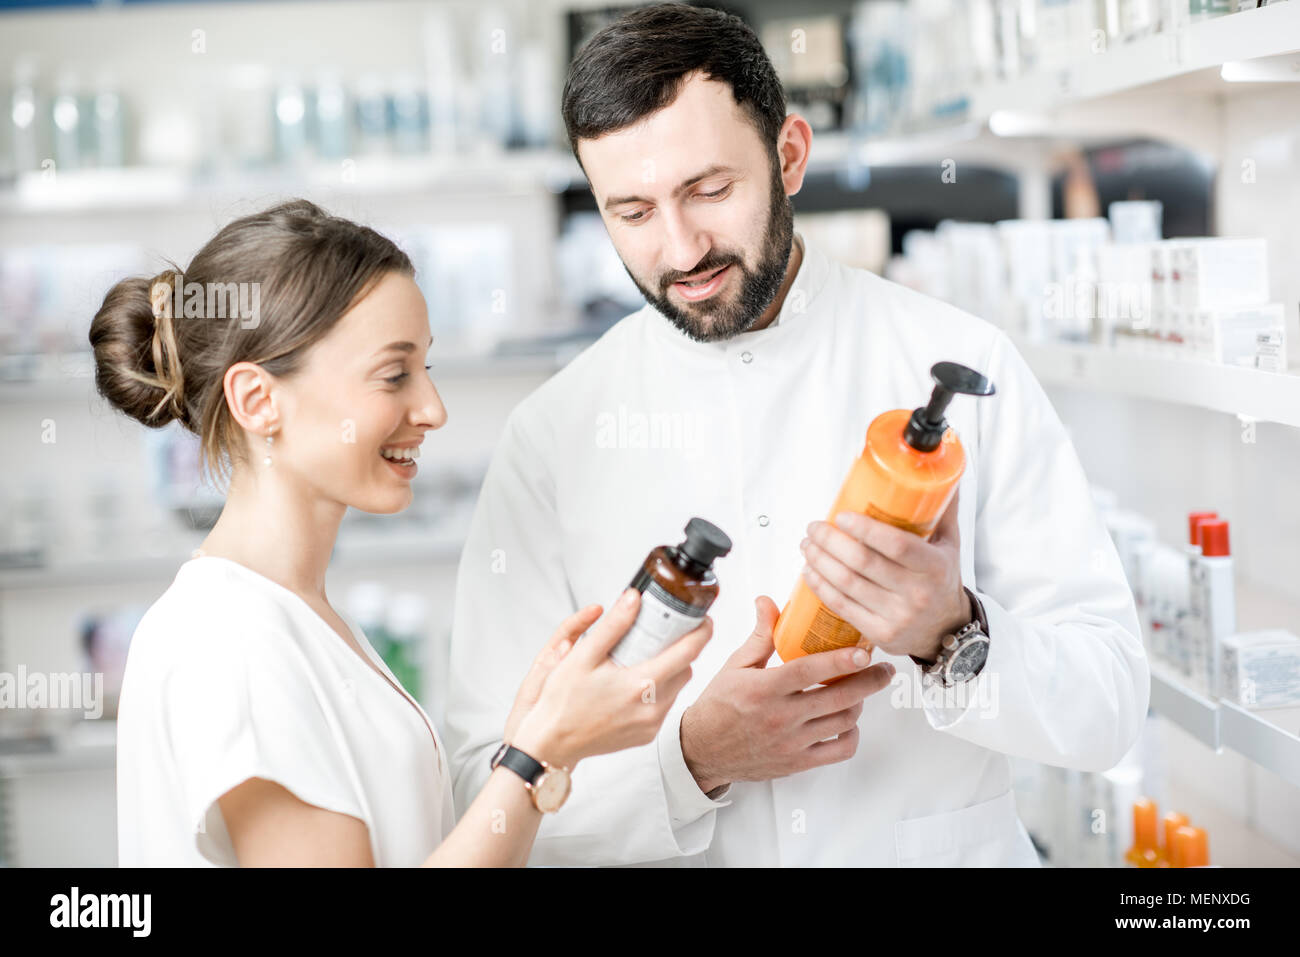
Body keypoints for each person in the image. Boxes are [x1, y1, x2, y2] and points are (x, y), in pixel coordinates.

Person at [445, 4, 1150, 867]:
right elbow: (482, 788)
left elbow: (1113, 702)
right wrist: (689, 763)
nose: (682, 246)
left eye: (710, 189)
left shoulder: (963, 362)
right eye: (632, 211)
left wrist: (953, 632)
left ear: (790, 156)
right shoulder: (549, 438)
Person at [97, 199, 711, 866]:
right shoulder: (231, 642)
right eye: (394, 374)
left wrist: (532, 737)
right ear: (257, 399)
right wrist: (543, 752)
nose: (432, 409)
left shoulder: (296, 617)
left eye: (427, 368)